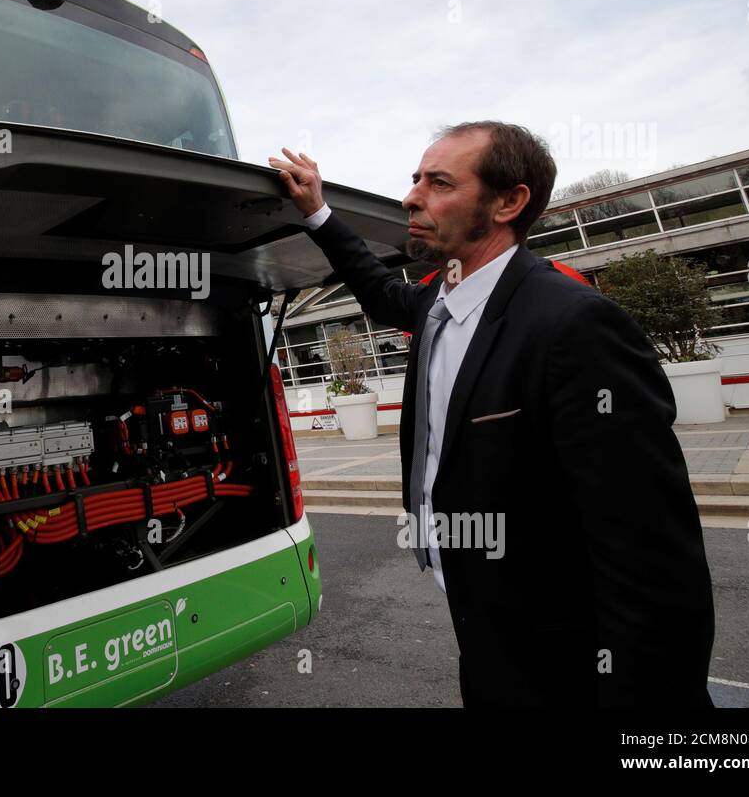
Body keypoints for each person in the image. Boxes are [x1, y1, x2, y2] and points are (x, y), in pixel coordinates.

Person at [269, 122, 715, 707]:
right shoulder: (436, 303)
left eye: (439, 183)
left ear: (508, 203)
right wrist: (318, 212)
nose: (410, 198)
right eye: (415, 180)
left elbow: (651, 554)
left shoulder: (574, 324)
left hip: (565, 657)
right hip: (480, 622)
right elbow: (376, 288)